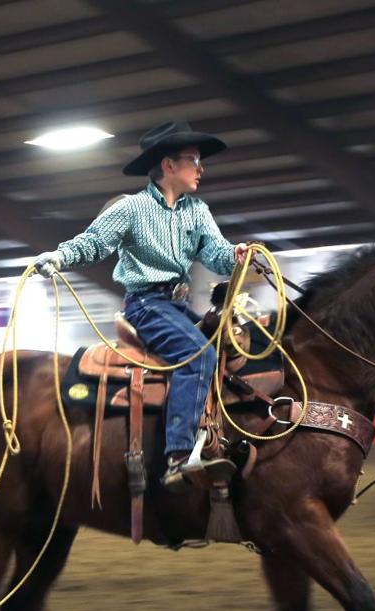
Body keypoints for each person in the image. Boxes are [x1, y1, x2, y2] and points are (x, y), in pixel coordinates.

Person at [32, 120, 249, 492]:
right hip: (146, 305)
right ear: (168, 165)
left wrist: (235, 255)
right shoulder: (131, 209)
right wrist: (59, 256)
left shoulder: (197, 211)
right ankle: (178, 456)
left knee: (232, 347)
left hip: (177, 306)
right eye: (194, 160)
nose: (201, 168)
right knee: (197, 355)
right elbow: (94, 242)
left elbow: (215, 253)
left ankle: (214, 436)